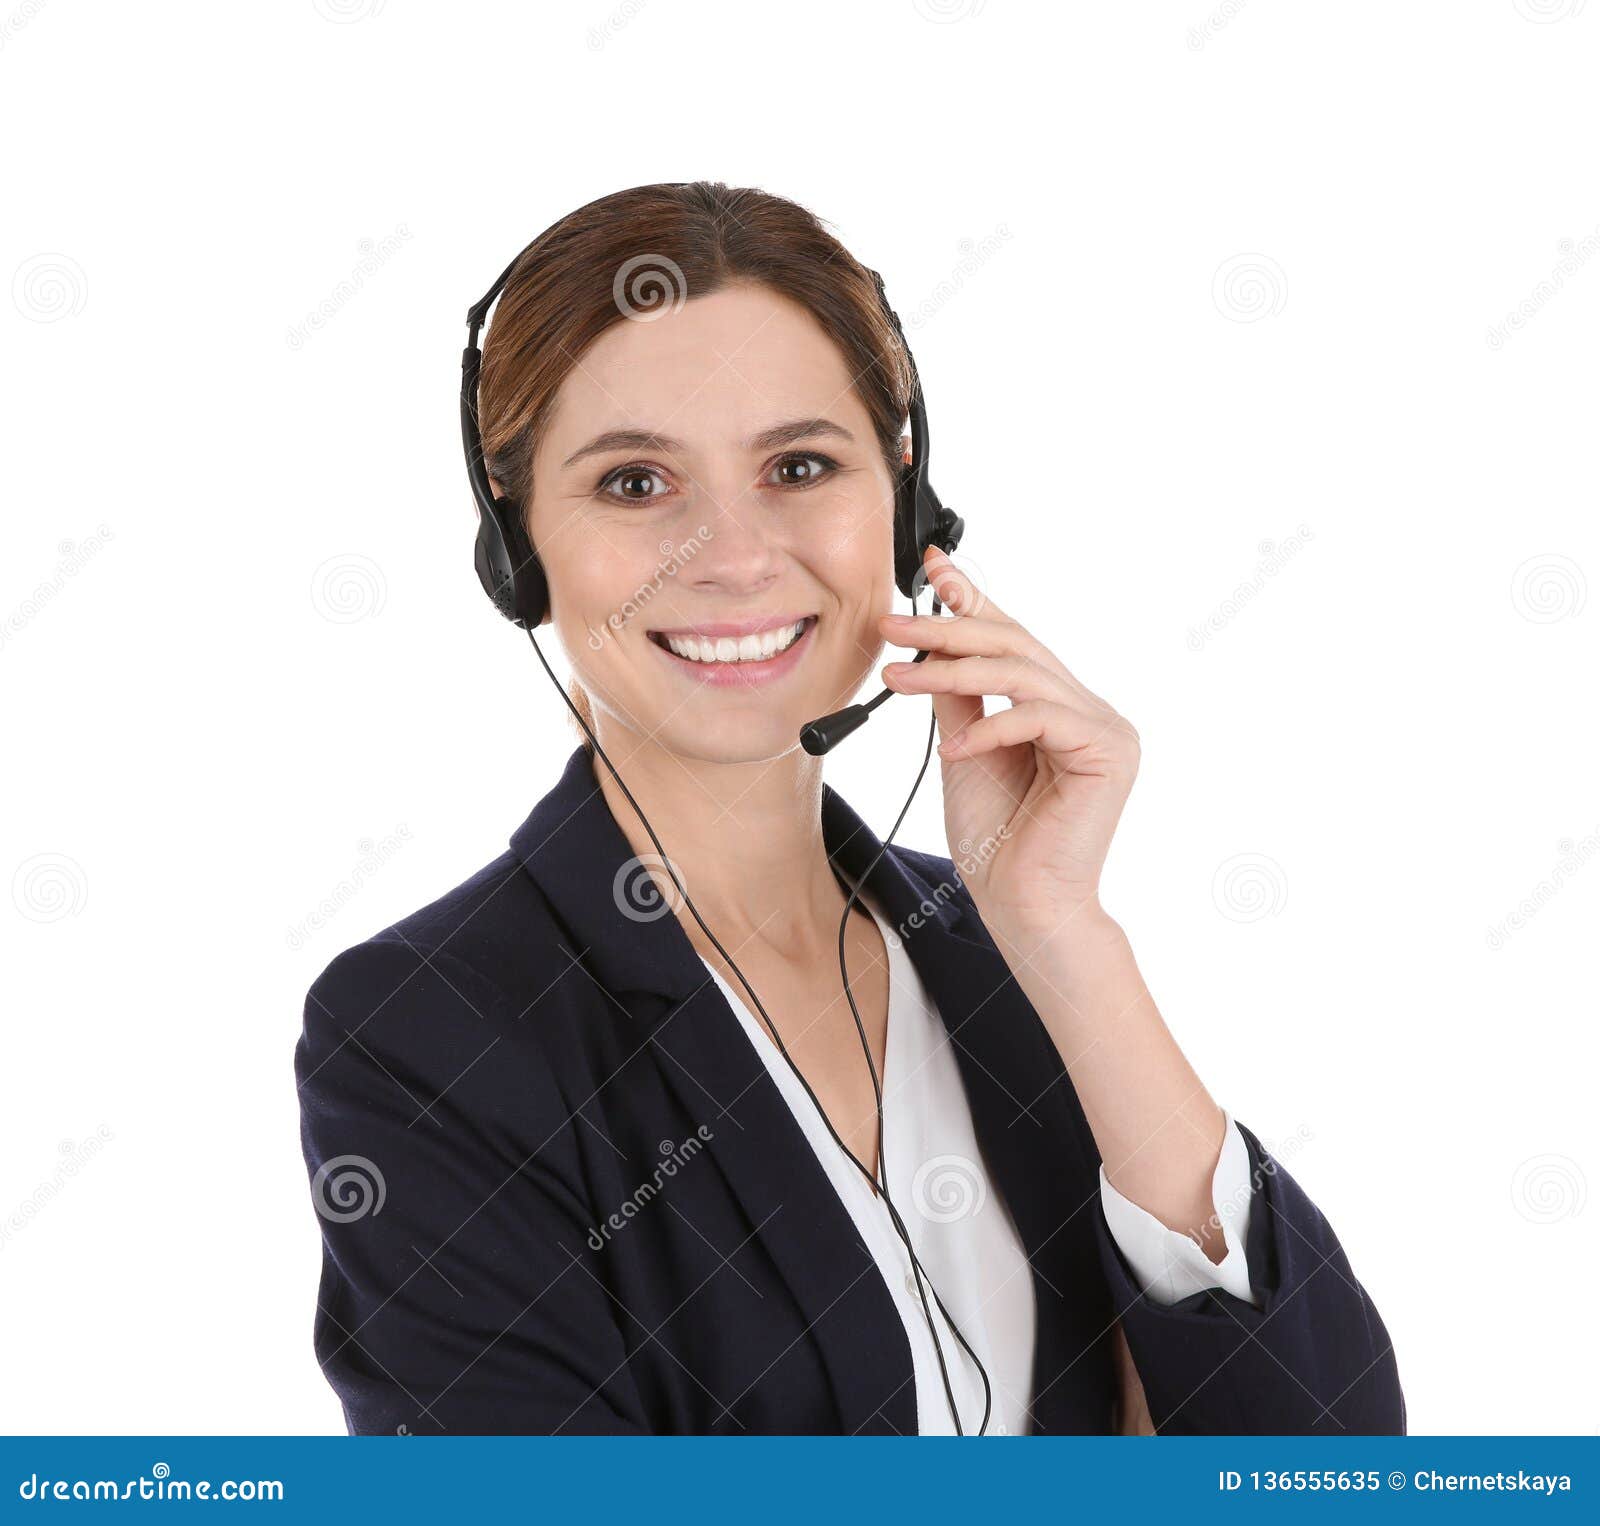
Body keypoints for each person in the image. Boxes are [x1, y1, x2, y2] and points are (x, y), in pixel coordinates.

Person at [294, 181, 1404, 1436]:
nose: (729, 555)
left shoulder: (1002, 954)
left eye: (799, 466)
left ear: (906, 504)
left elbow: (1331, 1468)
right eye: (635, 482)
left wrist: (1064, 937)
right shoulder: (430, 1030)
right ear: (517, 547)